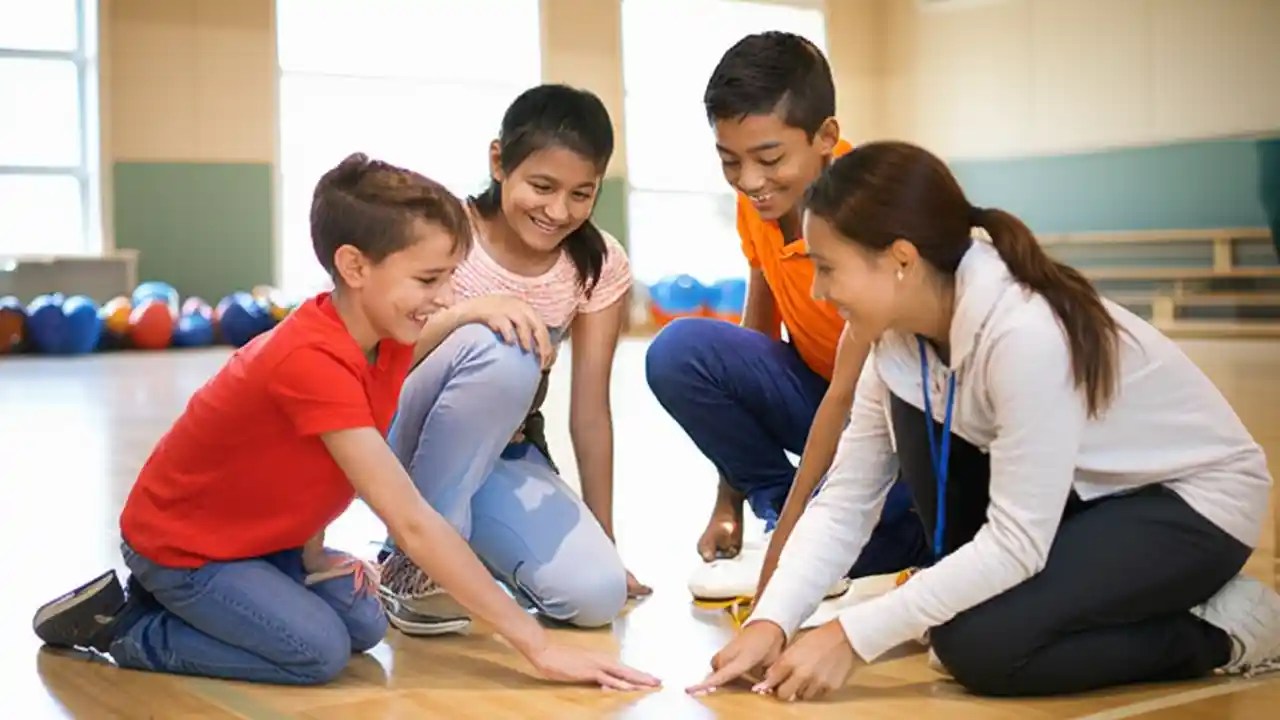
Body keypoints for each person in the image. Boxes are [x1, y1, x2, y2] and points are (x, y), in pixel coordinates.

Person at [31, 153, 660, 692]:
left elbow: (296, 464)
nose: (446, 295)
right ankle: (127, 626)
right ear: (355, 267)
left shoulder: (382, 332)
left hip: (263, 543)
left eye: (449, 277)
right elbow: (411, 523)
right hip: (184, 550)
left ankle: (208, 601)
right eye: (429, 279)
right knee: (318, 653)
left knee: (364, 624)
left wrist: (477, 311)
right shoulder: (311, 359)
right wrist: (537, 646)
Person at [690, 140, 1280, 702]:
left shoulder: (1024, 332)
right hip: (1086, 500)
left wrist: (851, 636)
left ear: (900, 259)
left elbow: (1018, 541)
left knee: (980, 647)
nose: (818, 291)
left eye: (827, 268)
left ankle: (1231, 629)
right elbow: (846, 499)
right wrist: (773, 621)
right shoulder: (894, 338)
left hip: (1189, 503)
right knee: (957, 620)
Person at [643, 31, 929, 598]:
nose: (750, 180)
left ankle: (846, 530)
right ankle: (785, 513)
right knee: (678, 352)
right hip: (820, 398)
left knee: (890, 529)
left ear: (826, 137)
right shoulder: (757, 205)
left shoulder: (878, 207)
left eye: (770, 159)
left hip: (897, 418)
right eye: (730, 161)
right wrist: (729, 499)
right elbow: (758, 332)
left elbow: (872, 391)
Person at [375, 83, 651, 637]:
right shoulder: (441, 230)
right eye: (542, 187)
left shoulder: (599, 263)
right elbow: (372, 358)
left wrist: (606, 539)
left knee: (596, 597)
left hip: (501, 452)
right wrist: (470, 313)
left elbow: (591, 413)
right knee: (506, 347)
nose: (558, 211)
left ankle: (462, 548)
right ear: (499, 162)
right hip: (397, 434)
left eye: (581, 193)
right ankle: (414, 563)